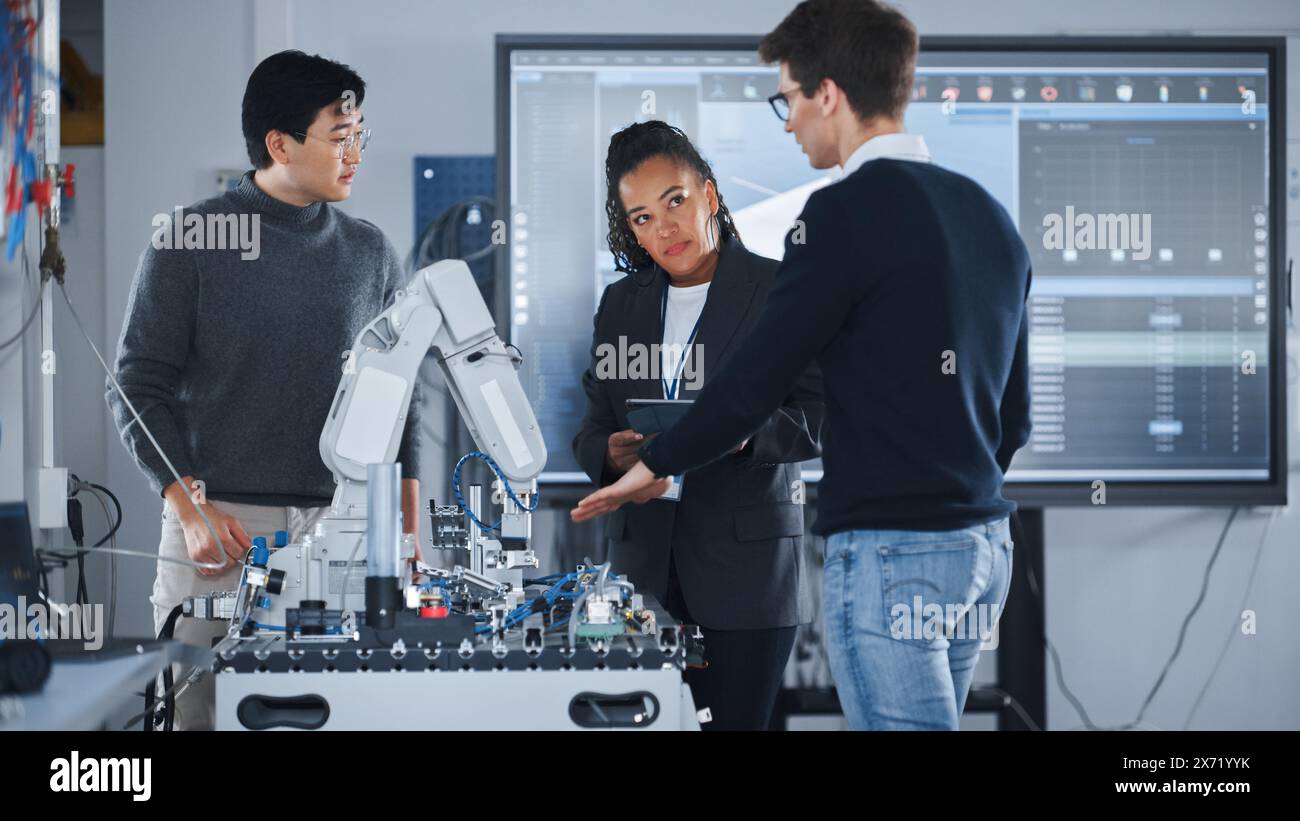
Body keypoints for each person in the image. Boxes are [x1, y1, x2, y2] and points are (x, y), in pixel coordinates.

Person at [571, 0, 1032, 731]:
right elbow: (1015, 418)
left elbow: (751, 385)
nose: (787, 121)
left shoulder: (839, 216)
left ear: (828, 94)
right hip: (983, 547)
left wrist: (658, 456)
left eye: (787, 97)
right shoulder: (988, 215)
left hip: (889, 552)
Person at [107, 50, 423, 730]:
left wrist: (406, 519)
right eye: (340, 137)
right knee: (200, 717)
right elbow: (137, 386)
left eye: (360, 135)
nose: (355, 152)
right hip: (220, 536)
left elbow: (403, 398)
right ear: (280, 143)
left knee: (335, 716)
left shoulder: (371, 253)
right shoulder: (189, 240)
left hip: (339, 533)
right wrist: (189, 507)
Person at [572, 120, 824, 730]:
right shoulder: (621, 304)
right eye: (641, 218)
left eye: (675, 202)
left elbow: (818, 418)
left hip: (746, 576)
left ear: (709, 195)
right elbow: (591, 427)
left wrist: (739, 432)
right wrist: (610, 452)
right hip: (643, 577)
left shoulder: (779, 288)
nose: (664, 229)